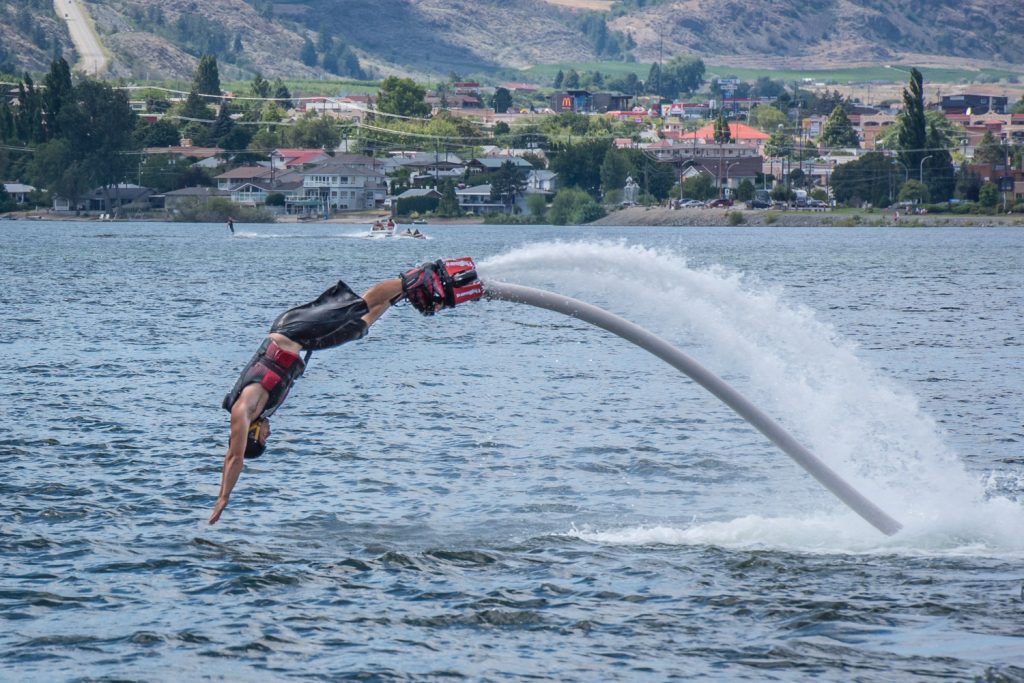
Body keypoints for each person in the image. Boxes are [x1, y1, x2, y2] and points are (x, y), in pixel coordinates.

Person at [208, 257, 483, 525]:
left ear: (252, 434)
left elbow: (234, 456)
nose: (269, 435)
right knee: (359, 327)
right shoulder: (261, 408)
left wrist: (223, 497)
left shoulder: (244, 409)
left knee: (358, 306)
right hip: (303, 339)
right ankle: (403, 294)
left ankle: (417, 277)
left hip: (294, 331)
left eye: (264, 439)